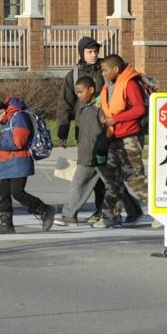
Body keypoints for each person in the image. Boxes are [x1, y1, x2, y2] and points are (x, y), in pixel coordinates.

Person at [59, 78, 127, 229]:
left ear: (91, 90)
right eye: (76, 92)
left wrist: (103, 150)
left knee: (111, 185)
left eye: (81, 92)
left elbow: (106, 130)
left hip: (99, 154)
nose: (78, 95)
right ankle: (69, 215)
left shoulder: (101, 106)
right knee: (79, 185)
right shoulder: (83, 105)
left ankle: (120, 213)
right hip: (86, 154)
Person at [0, 96, 60, 234]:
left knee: (17, 192)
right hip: (8, 161)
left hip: (19, 161)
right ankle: (5, 223)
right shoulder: (8, 119)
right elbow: (9, 139)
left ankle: (45, 210)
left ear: (2, 111)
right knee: (3, 192)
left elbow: (18, 143)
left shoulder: (18, 118)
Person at [59, 36, 107, 217]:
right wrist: (63, 129)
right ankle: (79, 210)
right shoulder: (74, 75)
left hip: (103, 129)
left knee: (102, 172)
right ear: (82, 53)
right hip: (83, 129)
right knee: (89, 170)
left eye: (96, 51)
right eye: (90, 52)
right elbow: (65, 103)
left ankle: (101, 208)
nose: (94, 55)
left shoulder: (105, 70)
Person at [97, 54, 151, 209]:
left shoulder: (130, 83)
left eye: (105, 70)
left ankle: (157, 207)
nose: (103, 73)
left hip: (130, 137)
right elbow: (105, 106)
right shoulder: (110, 85)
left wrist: (116, 119)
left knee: (134, 177)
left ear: (115, 69)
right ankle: (112, 214)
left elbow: (139, 109)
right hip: (114, 135)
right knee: (112, 177)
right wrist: (103, 116)